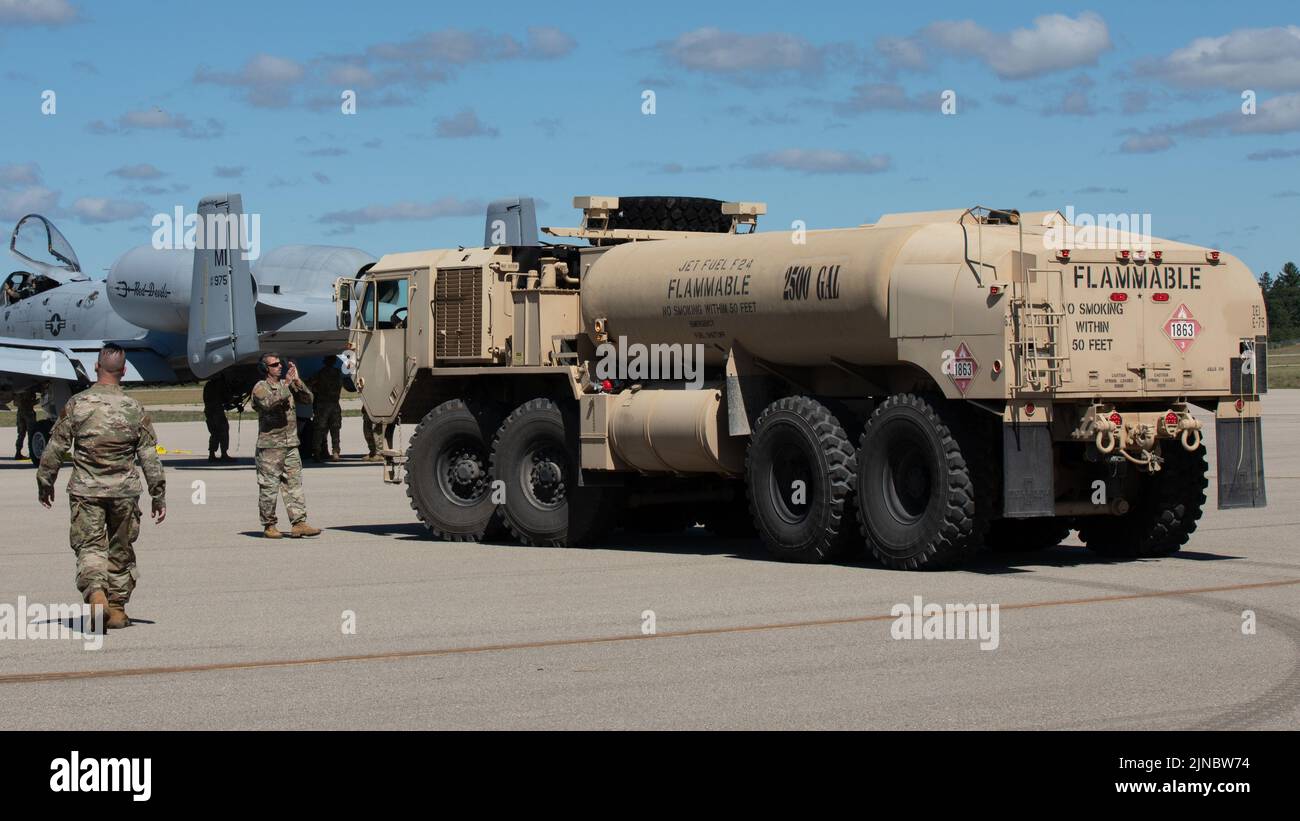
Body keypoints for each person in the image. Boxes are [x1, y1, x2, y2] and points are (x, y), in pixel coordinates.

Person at [36, 344, 166, 631]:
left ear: (96, 367)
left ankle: (96, 593)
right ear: (124, 370)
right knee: (121, 549)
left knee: (90, 547)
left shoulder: (77, 404)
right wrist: (158, 494)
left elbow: (55, 448)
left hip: (86, 492)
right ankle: (117, 609)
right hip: (124, 493)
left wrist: (45, 482)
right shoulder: (134, 408)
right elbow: (149, 456)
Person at [251, 352, 321, 539]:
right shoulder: (260, 387)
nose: (279, 367)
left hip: (290, 444)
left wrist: (297, 381)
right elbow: (269, 404)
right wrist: (287, 385)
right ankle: (269, 525)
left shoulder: (287, 385)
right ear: (266, 369)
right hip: (270, 447)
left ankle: (299, 523)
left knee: (294, 485)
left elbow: (308, 399)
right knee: (269, 488)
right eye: (274, 365)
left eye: (279, 364)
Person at [308, 357, 343, 462]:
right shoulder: (338, 374)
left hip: (322, 405)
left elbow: (309, 383)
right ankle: (336, 452)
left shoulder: (320, 373)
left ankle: (317, 452)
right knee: (335, 429)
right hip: (335, 404)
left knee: (319, 430)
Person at [202, 372, 237, 463]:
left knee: (214, 433)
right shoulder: (219, 385)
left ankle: (212, 454)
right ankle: (224, 454)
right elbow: (227, 398)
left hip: (209, 411)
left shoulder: (208, 385)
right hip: (217, 411)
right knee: (223, 431)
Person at [14, 386, 38, 459]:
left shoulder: (17, 389)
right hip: (28, 413)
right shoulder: (29, 388)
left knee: (21, 434)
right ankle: (32, 453)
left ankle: (18, 453)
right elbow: (29, 402)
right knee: (31, 434)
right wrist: (37, 401)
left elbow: (15, 403)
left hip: (20, 413)